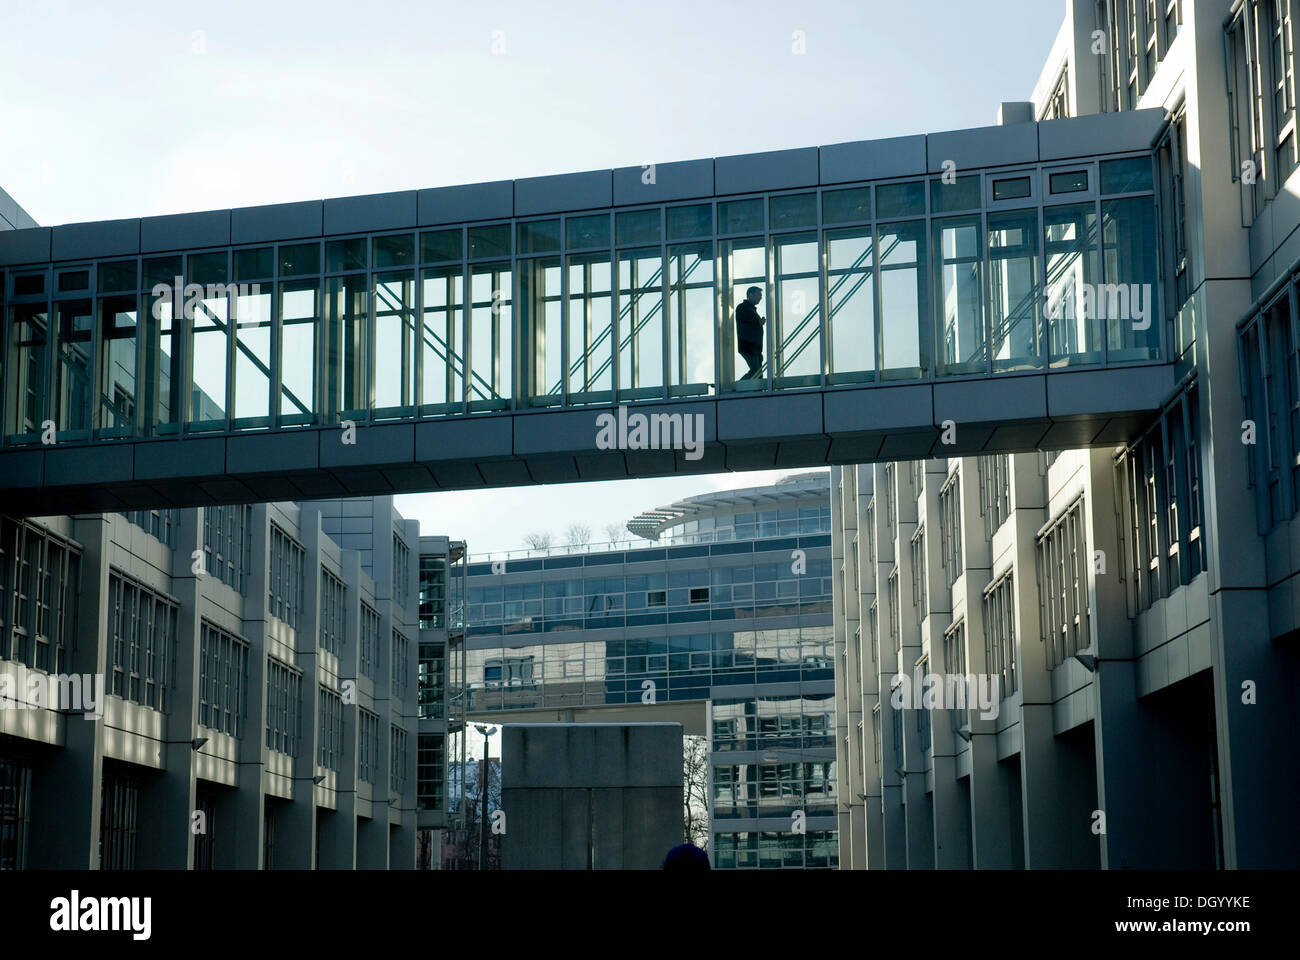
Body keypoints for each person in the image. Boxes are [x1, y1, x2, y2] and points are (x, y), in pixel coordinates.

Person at [734, 286, 764, 380]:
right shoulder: (743, 307)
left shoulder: (748, 309)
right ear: (750, 294)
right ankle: (738, 387)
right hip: (749, 346)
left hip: (753, 347)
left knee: (757, 372)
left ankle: (743, 388)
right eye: (758, 294)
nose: (760, 297)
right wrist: (758, 322)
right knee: (756, 372)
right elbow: (750, 322)